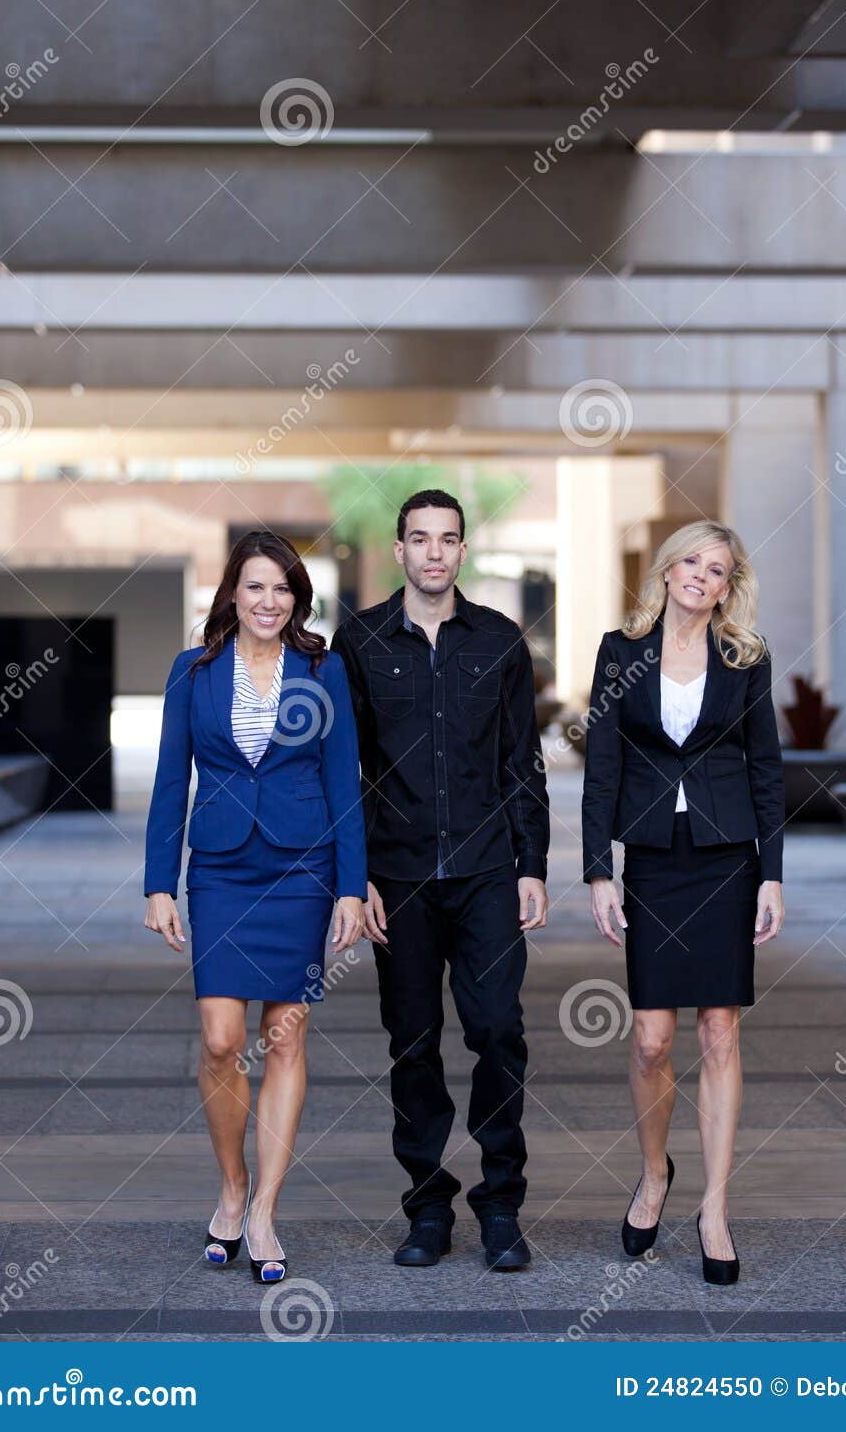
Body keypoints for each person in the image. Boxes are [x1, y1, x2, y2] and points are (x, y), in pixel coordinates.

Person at [331, 489, 550, 1271]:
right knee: (413, 1041)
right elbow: (340, 772)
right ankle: (427, 1208)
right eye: (419, 539)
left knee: (497, 1032)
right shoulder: (356, 641)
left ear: (463, 551)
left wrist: (533, 865)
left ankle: (500, 1206)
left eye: (447, 539)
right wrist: (353, 879)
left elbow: (521, 761)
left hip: (488, 870)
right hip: (400, 877)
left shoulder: (496, 641)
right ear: (398, 551)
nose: (433, 552)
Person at [143, 531, 366, 1284]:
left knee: (286, 1036)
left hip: (303, 868)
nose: (269, 602)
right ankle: (230, 1185)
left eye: (283, 589)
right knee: (219, 1038)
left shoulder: (323, 669)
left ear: (297, 598)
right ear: (231, 594)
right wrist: (157, 885)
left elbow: (344, 785)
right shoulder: (192, 672)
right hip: (221, 870)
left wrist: (350, 887)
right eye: (256, 587)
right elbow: (171, 781)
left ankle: (264, 1208)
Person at [581, 520, 785, 1287]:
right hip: (655, 863)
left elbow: (764, 767)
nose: (704, 576)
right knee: (650, 1039)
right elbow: (602, 761)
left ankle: (714, 1210)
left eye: (720, 569)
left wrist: (771, 874)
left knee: (720, 1032)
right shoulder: (619, 652)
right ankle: (654, 1173)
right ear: (666, 572)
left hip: (727, 858)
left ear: (729, 586)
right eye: (693, 562)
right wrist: (598, 869)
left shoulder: (745, 658)